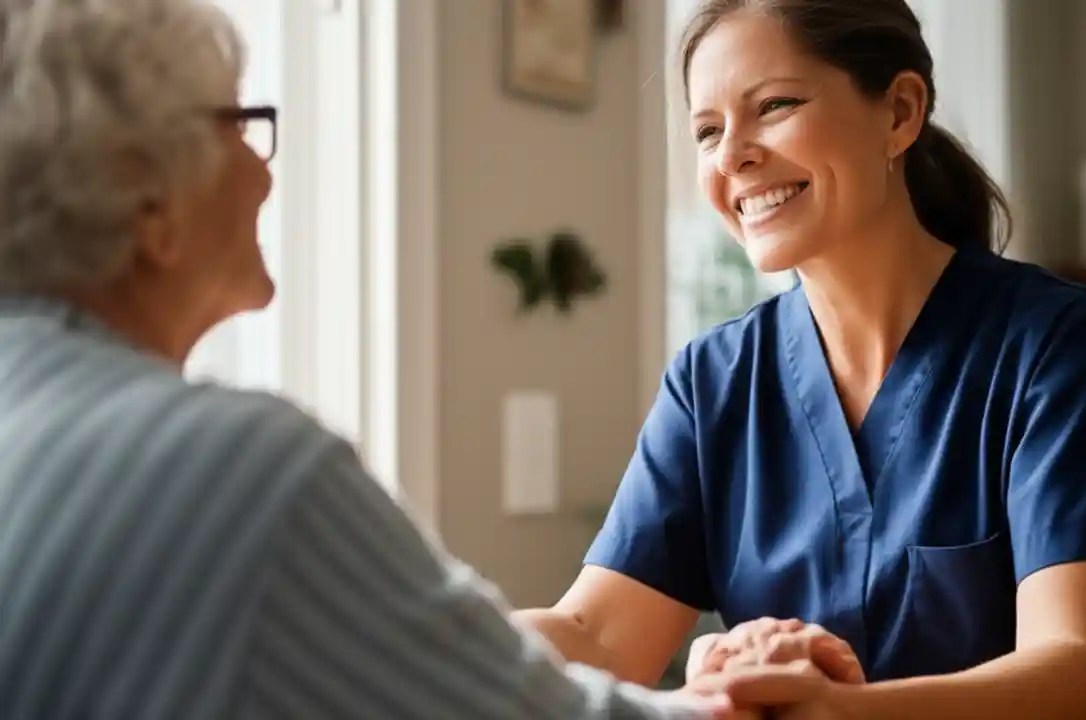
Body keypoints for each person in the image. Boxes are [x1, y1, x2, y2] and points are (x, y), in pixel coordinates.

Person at [0, 1, 813, 718]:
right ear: (151, 202)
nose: (263, 172)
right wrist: (738, 697)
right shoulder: (236, 467)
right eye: (238, 125)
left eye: (774, 106)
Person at [515, 1, 1086, 717]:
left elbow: (1074, 673)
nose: (731, 155)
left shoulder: (1058, 343)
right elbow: (597, 634)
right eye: (707, 131)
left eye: (774, 106)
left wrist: (839, 711)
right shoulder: (712, 383)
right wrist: (440, 630)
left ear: (899, 112)